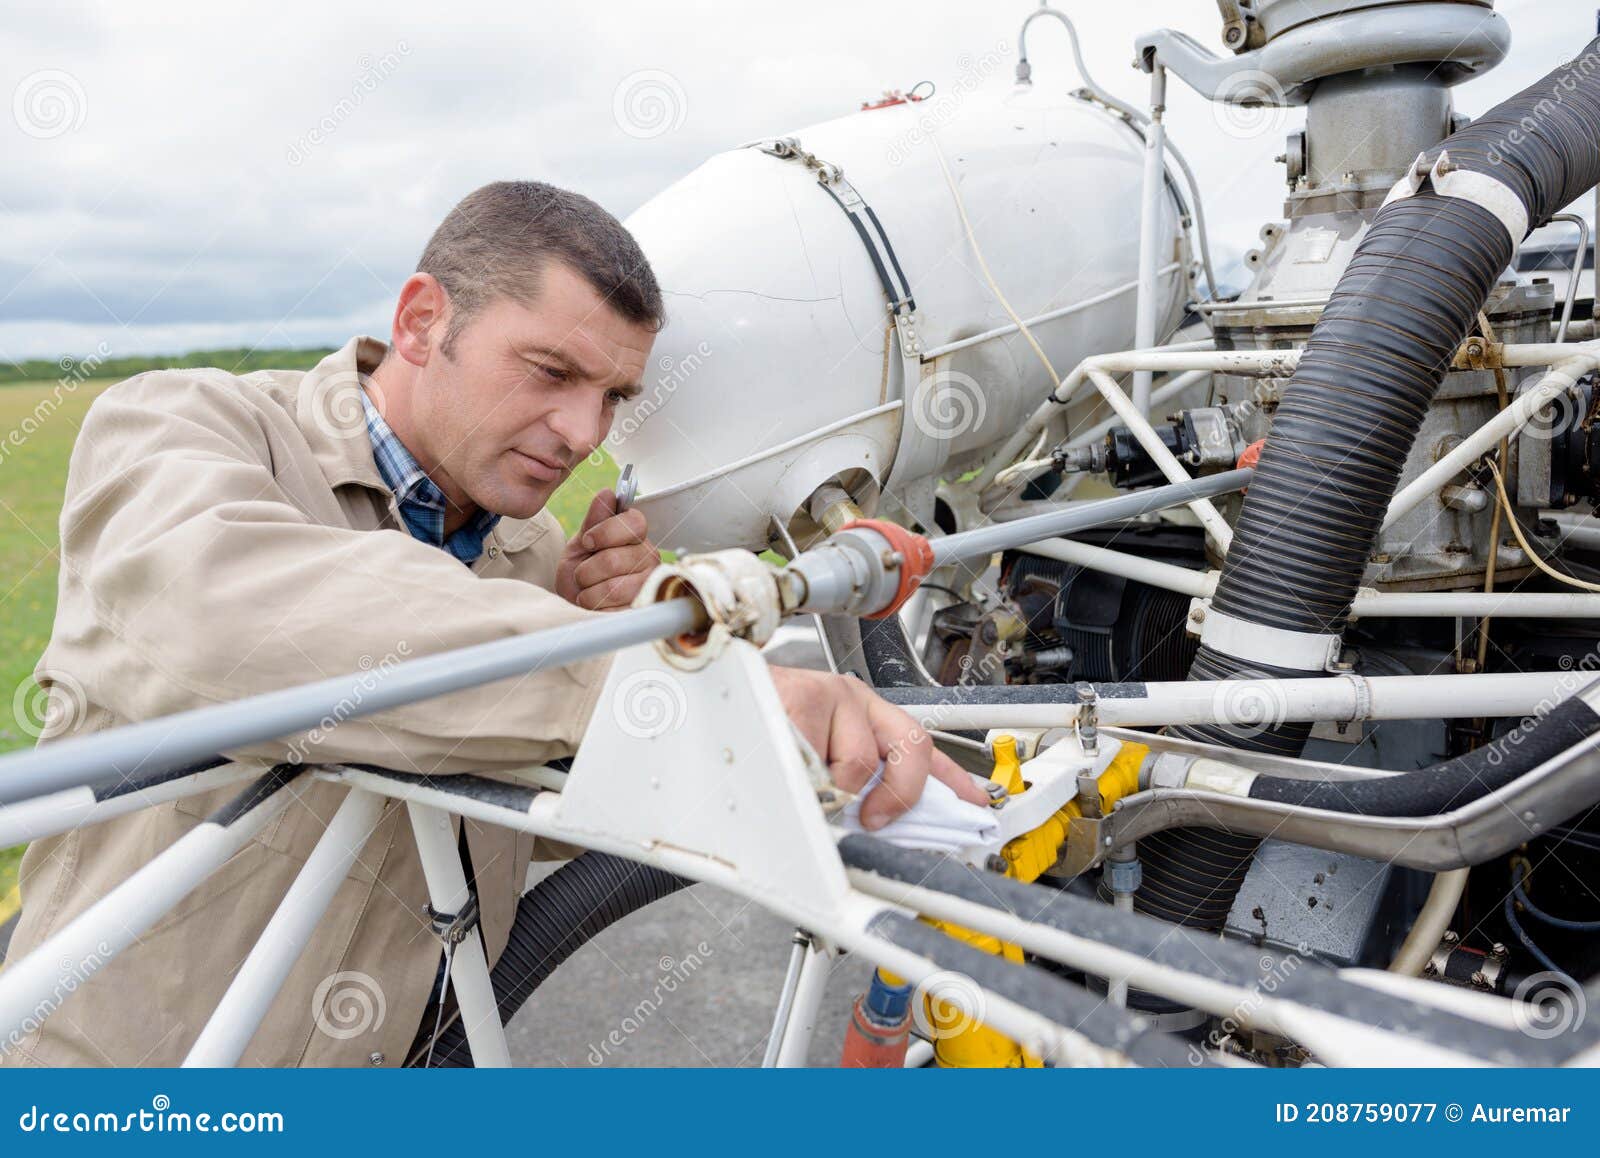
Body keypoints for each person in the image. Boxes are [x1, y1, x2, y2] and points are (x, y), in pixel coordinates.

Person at [2, 180, 986, 1067]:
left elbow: (515, 831)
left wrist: (609, 640)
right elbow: (224, 614)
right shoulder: (184, 425)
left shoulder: (528, 554)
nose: (583, 434)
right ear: (425, 322)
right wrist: (627, 678)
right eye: (551, 372)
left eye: (613, 397)